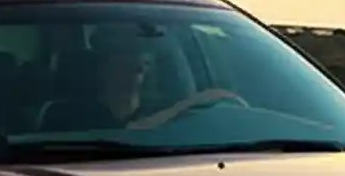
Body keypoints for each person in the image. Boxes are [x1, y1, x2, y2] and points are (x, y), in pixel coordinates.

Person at [44, 24, 243, 132]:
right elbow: (127, 134)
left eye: (142, 53)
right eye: (125, 52)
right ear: (103, 61)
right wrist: (190, 104)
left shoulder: (158, 108)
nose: (138, 62)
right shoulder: (67, 115)